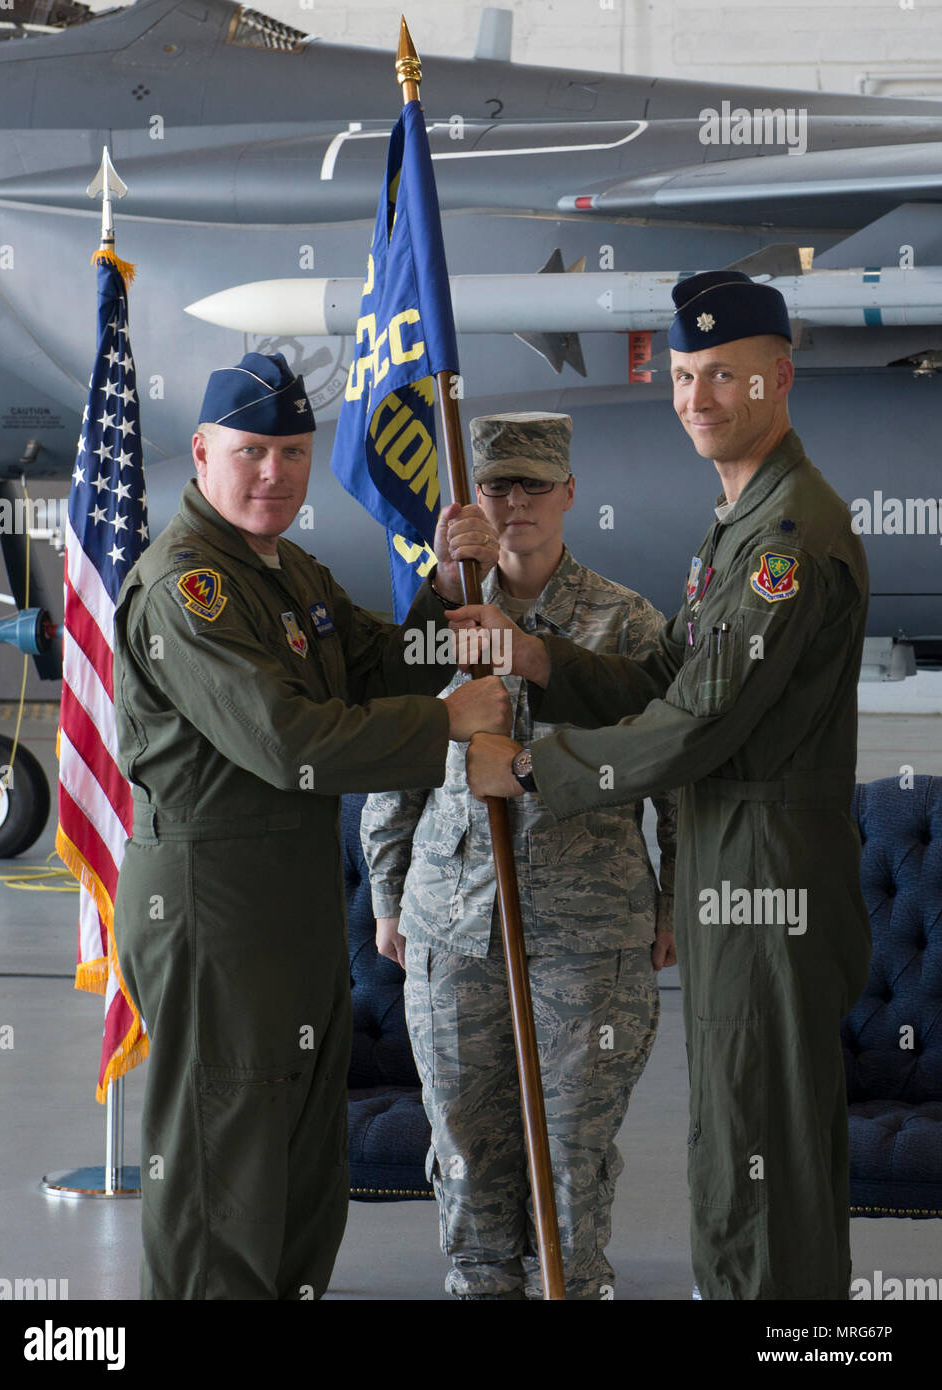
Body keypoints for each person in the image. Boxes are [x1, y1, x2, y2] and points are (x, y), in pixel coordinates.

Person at [460, 273, 872, 1301]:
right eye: (683, 376)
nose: (695, 398)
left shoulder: (783, 539)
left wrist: (525, 769)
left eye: (721, 376)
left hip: (763, 873)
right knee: (743, 1136)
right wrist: (538, 658)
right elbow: (664, 682)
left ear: (777, 377)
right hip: (735, 866)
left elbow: (696, 724)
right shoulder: (739, 519)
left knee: (755, 1151)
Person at [112, 352, 511, 1300]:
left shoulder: (284, 569)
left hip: (284, 906)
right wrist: (450, 726)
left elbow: (378, 663)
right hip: (214, 910)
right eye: (251, 452)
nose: (274, 474)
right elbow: (286, 737)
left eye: (293, 453)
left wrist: (448, 595)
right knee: (229, 1170)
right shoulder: (189, 587)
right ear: (202, 452)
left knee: (298, 1161)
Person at [360, 411, 677, 1301]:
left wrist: (677, 897)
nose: (517, 502)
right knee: (463, 1142)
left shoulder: (626, 621)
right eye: (499, 485)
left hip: (591, 931)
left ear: (570, 493)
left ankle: (571, 1285)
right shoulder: (440, 615)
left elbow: (674, 767)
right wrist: (387, 894)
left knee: (572, 1147)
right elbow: (394, 753)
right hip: (452, 922)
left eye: (537, 484)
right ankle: (478, 1285)